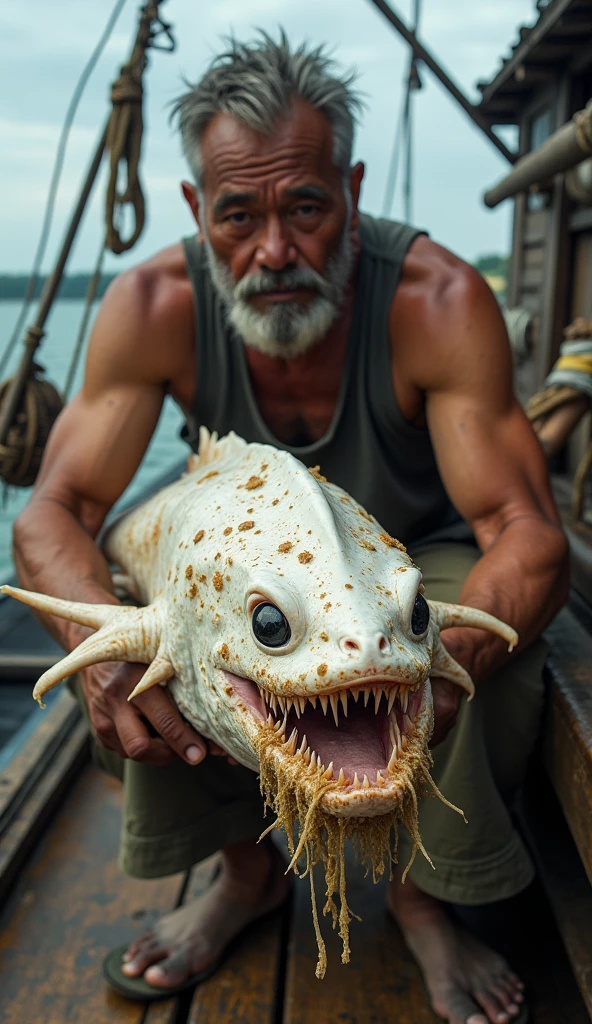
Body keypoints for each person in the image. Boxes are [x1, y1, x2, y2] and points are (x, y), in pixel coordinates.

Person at [13, 32, 568, 1024]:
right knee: (134, 620)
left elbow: (523, 527)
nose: (274, 251)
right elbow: (56, 512)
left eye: (306, 208)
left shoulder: (435, 301)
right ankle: (244, 869)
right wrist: (99, 649)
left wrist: (441, 657)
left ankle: (417, 891)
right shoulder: (153, 305)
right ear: (196, 210)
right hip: (255, 581)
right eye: (238, 216)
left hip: (410, 550)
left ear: (350, 189)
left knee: (478, 633)